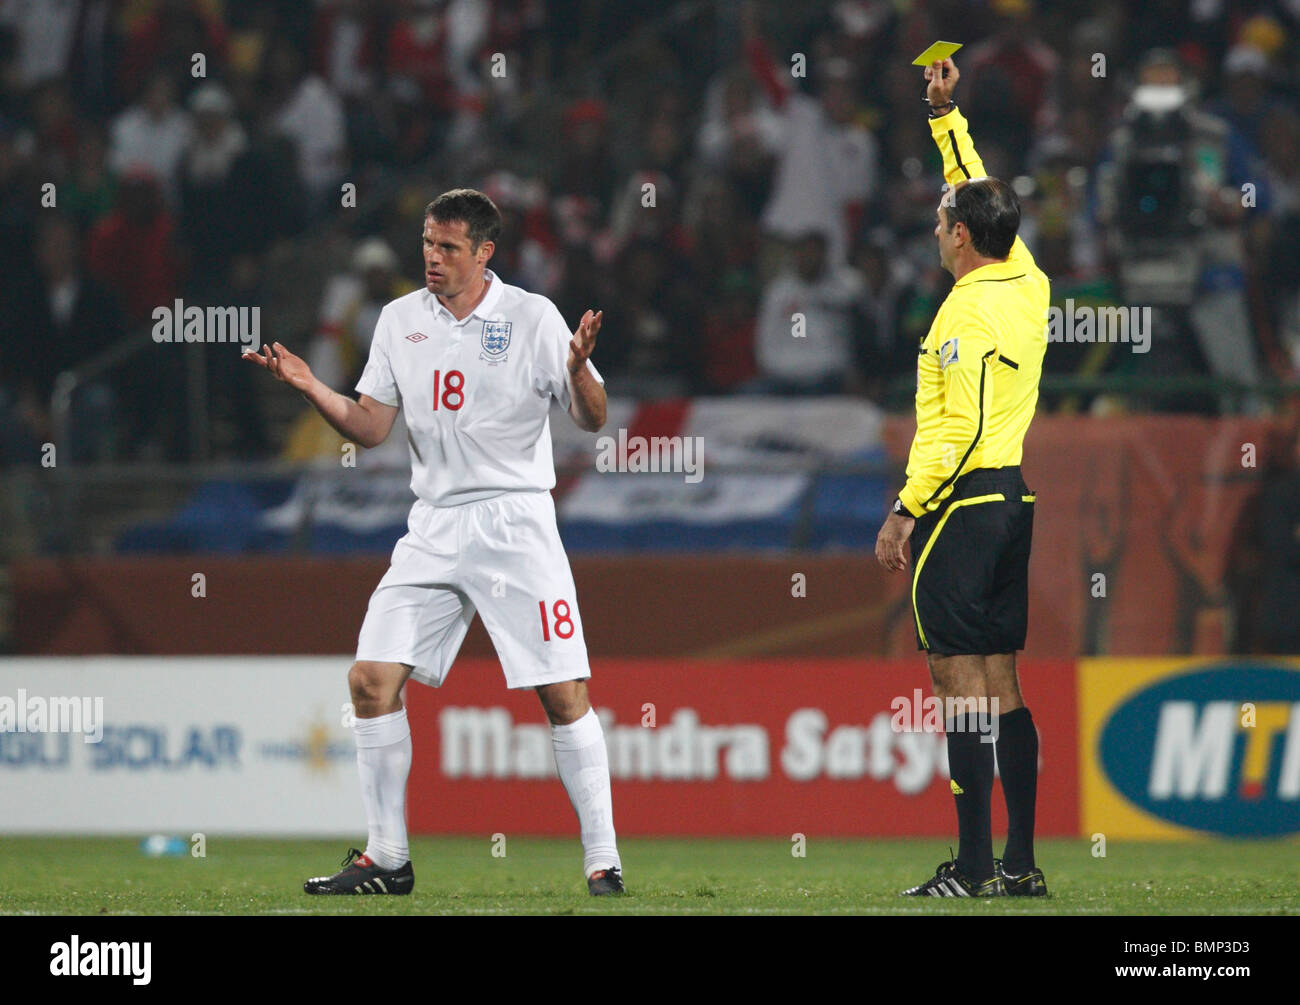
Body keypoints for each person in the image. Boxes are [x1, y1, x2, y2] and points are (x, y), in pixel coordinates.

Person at [243, 188, 624, 897]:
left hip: (515, 520)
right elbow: (369, 426)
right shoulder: (399, 320)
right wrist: (309, 384)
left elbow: (593, 418)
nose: (433, 257)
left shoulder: (532, 316)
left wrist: (576, 369)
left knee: (563, 693)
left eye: (448, 247)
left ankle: (603, 860)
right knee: (369, 681)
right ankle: (388, 859)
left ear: (485, 252)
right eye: (427, 243)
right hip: (434, 523)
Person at [874, 58, 1048, 898]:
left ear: (960, 239)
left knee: (956, 685)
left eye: (943, 220)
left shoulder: (964, 313)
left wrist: (906, 508)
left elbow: (958, 425)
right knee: (1000, 680)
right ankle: (1018, 864)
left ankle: (973, 866)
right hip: (1012, 497)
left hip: (964, 502)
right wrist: (946, 117)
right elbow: (978, 189)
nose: (938, 225)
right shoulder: (1024, 278)